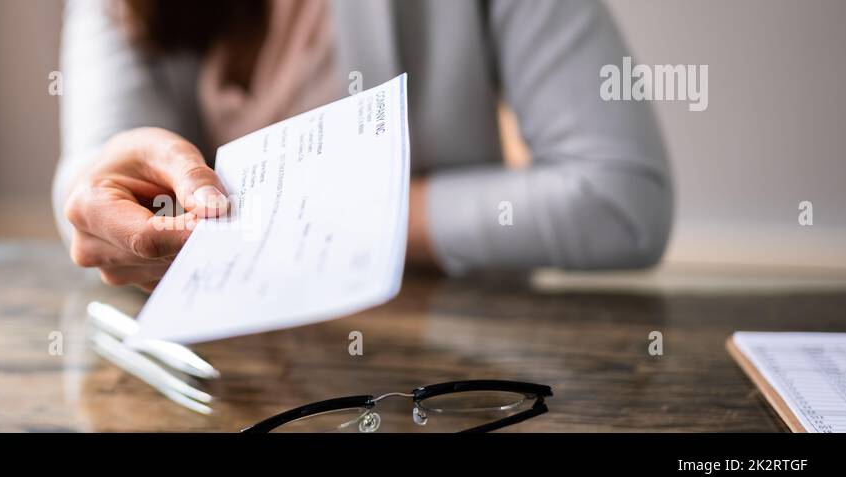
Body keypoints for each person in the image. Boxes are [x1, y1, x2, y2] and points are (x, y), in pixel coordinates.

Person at [54, 0, 671, 291]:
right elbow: (93, 169)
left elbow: (620, 198)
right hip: (215, 374)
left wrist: (321, 219)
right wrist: (101, 194)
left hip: (442, 368)